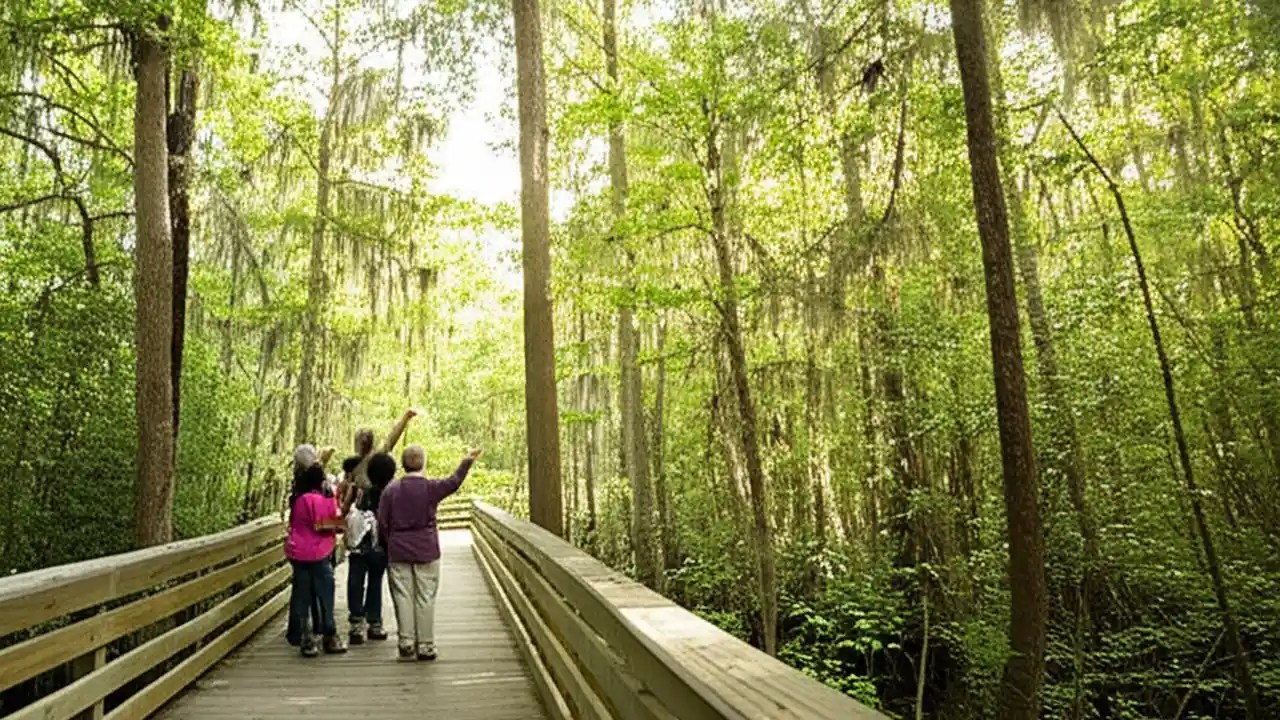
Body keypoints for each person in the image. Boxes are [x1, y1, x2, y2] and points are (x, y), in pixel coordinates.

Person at [378, 444, 481, 661]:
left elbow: (382, 522)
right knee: (425, 597)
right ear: (423, 462)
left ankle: (406, 643)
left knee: (402, 596)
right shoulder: (430, 488)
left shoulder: (391, 490)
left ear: (403, 464)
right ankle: (425, 645)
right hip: (426, 548)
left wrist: (390, 543)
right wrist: (466, 462)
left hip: (399, 549)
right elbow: (453, 482)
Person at [284, 447, 348, 657]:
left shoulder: (297, 499)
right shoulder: (318, 499)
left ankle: (307, 638)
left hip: (298, 554)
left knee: (302, 595)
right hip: (318, 553)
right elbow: (324, 524)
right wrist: (341, 521)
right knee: (325, 592)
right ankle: (330, 635)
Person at [345, 452, 396, 644]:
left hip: (359, 545)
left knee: (355, 582)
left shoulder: (362, 492)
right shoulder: (391, 494)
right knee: (375, 582)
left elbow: (348, 512)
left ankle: (356, 624)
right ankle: (374, 623)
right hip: (379, 547)